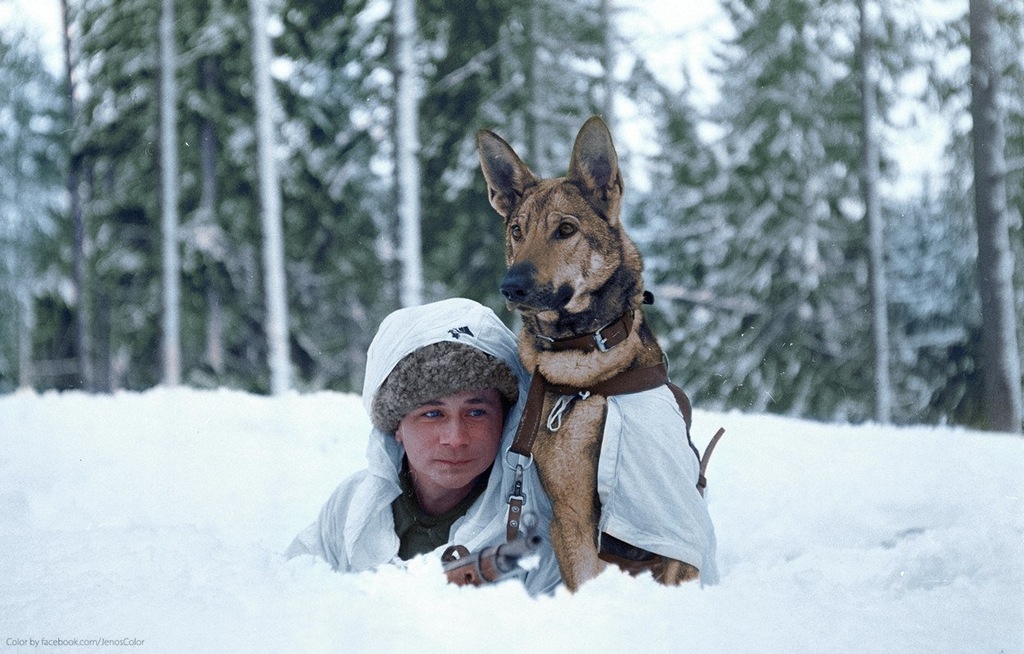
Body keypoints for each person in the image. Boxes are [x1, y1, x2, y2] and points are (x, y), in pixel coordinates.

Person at [286, 298, 561, 595]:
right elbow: (291, 597)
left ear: (506, 420)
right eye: (432, 414)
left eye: (476, 412)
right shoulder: (351, 507)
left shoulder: (540, 524)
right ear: (396, 426)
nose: (455, 438)